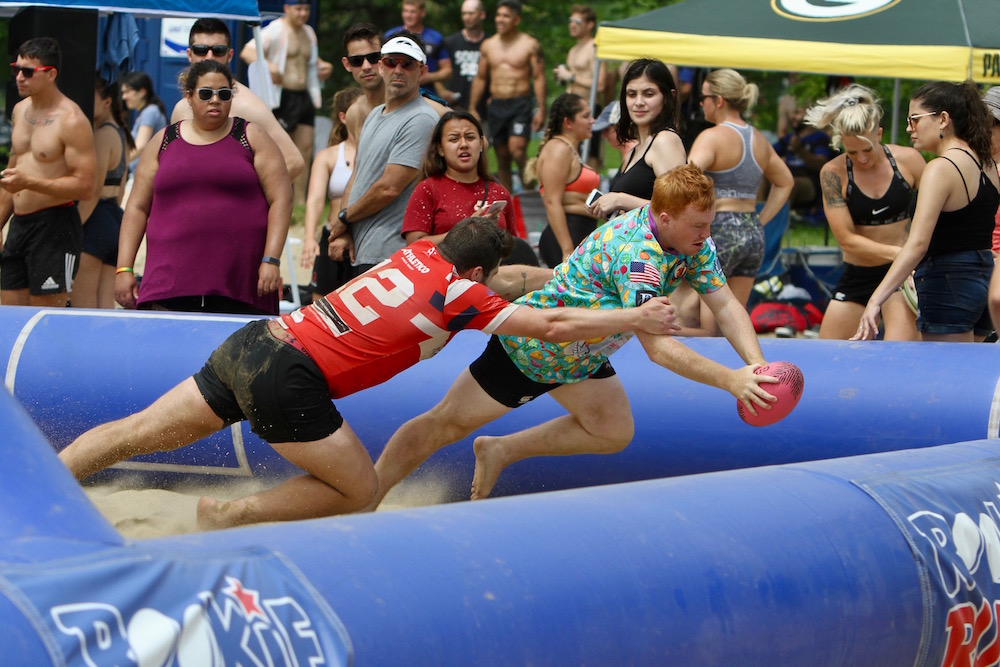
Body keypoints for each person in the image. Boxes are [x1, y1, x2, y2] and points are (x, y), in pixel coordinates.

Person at [58, 217, 681, 529]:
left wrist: (481, 232)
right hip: (291, 377)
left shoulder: (416, 253)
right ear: (481, 273)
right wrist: (638, 314)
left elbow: (461, 249)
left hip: (254, 341)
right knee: (358, 494)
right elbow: (550, 327)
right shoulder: (463, 296)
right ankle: (227, 516)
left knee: (137, 430)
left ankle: (44, 484)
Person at [367, 164, 780, 507]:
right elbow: (659, 350)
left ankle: (500, 450)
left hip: (582, 354)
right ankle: (370, 495)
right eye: (699, 226)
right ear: (665, 217)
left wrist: (755, 365)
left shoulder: (689, 237)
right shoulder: (638, 257)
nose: (706, 234)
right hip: (533, 348)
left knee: (612, 431)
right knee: (444, 424)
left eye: (709, 223)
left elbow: (725, 304)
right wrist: (731, 381)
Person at [115, 61, 291, 315]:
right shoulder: (164, 141)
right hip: (169, 282)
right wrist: (124, 268)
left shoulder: (252, 137)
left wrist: (271, 259)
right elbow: (137, 207)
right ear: (189, 95)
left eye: (224, 94)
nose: (215, 100)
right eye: (206, 94)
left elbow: (281, 200)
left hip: (240, 282)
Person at [855, 81, 999, 343]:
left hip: (947, 281)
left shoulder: (941, 169)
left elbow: (918, 244)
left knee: (948, 378)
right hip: (983, 277)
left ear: (943, 119)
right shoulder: (987, 164)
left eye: (915, 119)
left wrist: (876, 298)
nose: (909, 128)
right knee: (969, 375)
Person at [804, 84, 925, 341]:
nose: (861, 159)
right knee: (830, 354)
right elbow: (846, 239)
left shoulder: (909, 160)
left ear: (879, 133)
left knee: (899, 354)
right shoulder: (833, 173)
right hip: (859, 273)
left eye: (867, 150)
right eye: (852, 152)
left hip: (901, 274)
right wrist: (900, 252)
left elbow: (936, 214)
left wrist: (911, 258)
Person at [682, 68, 793, 336]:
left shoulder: (712, 137)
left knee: (710, 327)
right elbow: (785, 181)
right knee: (733, 321)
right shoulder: (759, 139)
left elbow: (684, 180)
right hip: (751, 232)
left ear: (718, 101)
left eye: (704, 97)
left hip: (719, 229)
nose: (701, 102)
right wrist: (761, 219)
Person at [327, 33, 439, 277]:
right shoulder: (375, 114)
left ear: (422, 72)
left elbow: (389, 188)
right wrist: (344, 229)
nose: (398, 70)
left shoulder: (421, 119)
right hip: (361, 248)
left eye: (407, 64)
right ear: (381, 66)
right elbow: (356, 174)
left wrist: (345, 218)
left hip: (392, 252)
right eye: (391, 62)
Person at [0, 37, 96, 308]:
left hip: (55, 225)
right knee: (9, 314)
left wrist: (29, 182)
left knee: (47, 316)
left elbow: (85, 186)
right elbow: (11, 175)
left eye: (28, 71)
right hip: (19, 224)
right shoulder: (20, 111)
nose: (19, 77)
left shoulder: (71, 119)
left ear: (51, 73)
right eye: (16, 69)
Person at [171, 18, 304, 181]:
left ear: (230, 55)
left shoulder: (246, 105)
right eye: (201, 50)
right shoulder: (181, 108)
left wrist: (247, 198)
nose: (209, 56)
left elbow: (293, 161)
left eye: (218, 50)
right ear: (190, 55)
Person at [240, 0, 333, 206]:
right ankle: (280, 198)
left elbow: (311, 60)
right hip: (283, 97)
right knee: (283, 150)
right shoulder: (275, 30)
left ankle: (300, 202)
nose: (303, 14)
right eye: (298, 9)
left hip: (305, 95)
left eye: (306, 9)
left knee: (305, 149)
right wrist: (268, 66)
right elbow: (247, 52)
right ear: (287, 9)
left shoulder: (309, 32)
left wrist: (324, 66)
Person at [587, 59, 686, 220]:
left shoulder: (665, 140)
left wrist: (620, 200)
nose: (639, 102)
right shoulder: (637, 148)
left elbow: (678, 207)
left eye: (649, 94)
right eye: (632, 94)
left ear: (668, 97)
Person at [403, 109, 516, 245]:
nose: (463, 145)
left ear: (481, 144)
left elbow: (513, 245)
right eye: (454, 139)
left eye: (470, 137)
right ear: (440, 148)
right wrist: (468, 230)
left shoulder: (500, 192)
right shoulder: (427, 189)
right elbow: (415, 245)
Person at [469, 0, 546, 192]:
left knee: (517, 150)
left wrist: (541, 110)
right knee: (502, 155)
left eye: (506, 16)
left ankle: (529, 189)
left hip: (520, 104)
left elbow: (538, 78)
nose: (500, 20)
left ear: (516, 19)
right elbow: (480, 77)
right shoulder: (488, 45)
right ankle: (508, 200)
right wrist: (472, 106)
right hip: (497, 104)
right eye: (498, 15)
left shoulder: (530, 45)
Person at [73, 75, 134, 309]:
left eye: (91, 98)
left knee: (83, 307)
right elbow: (118, 190)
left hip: (94, 218)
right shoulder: (121, 133)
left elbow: (93, 189)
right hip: (113, 219)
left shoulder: (101, 135)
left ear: (107, 102)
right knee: (104, 308)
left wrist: (74, 228)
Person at [302, 87, 363, 303]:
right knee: (320, 309)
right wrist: (310, 237)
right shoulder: (328, 156)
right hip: (332, 239)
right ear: (343, 117)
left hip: (364, 241)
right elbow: (315, 199)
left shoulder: (381, 152)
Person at [532, 93, 600, 267]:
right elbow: (551, 201)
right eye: (585, 116)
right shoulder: (558, 149)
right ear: (568, 122)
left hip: (579, 230)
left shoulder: (569, 149)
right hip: (566, 235)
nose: (592, 120)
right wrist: (567, 249)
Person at [552, 5, 606, 170]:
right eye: (570, 21)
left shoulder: (594, 48)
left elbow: (601, 84)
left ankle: (592, 191)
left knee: (590, 155)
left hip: (589, 109)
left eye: (577, 21)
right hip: (572, 111)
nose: (572, 25)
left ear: (590, 25)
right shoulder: (573, 50)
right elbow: (572, 83)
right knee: (571, 151)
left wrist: (571, 77)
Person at [773, 104, 836, 212]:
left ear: (809, 114)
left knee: (791, 184)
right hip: (786, 176)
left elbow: (821, 165)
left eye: (797, 113)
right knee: (762, 177)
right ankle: (754, 218)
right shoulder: (789, 138)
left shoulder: (819, 137)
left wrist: (800, 150)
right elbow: (768, 154)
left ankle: (778, 222)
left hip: (810, 182)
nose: (793, 117)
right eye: (792, 113)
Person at [385, 0, 452, 93]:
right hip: (396, 91)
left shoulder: (435, 38)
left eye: (412, 12)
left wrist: (429, 77)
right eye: (405, 11)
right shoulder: (390, 36)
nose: (408, 15)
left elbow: (448, 71)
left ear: (422, 13)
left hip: (427, 93)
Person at [438, 0, 488, 113]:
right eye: (464, 13)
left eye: (471, 13)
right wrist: (442, 91)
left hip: (484, 109)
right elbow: (436, 71)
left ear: (482, 15)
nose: (466, 17)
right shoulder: (450, 42)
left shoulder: (490, 44)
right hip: (455, 107)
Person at [340, 23, 387, 142]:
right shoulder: (354, 113)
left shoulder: (413, 105)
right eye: (357, 61)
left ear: (385, 57)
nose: (366, 66)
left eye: (374, 57)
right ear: (347, 64)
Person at [119, 71, 167, 174]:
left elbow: (140, 146)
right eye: (123, 93)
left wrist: (118, 164)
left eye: (127, 92)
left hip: (145, 177)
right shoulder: (145, 113)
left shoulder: (149, 112)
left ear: (142, 92)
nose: (124, 97)